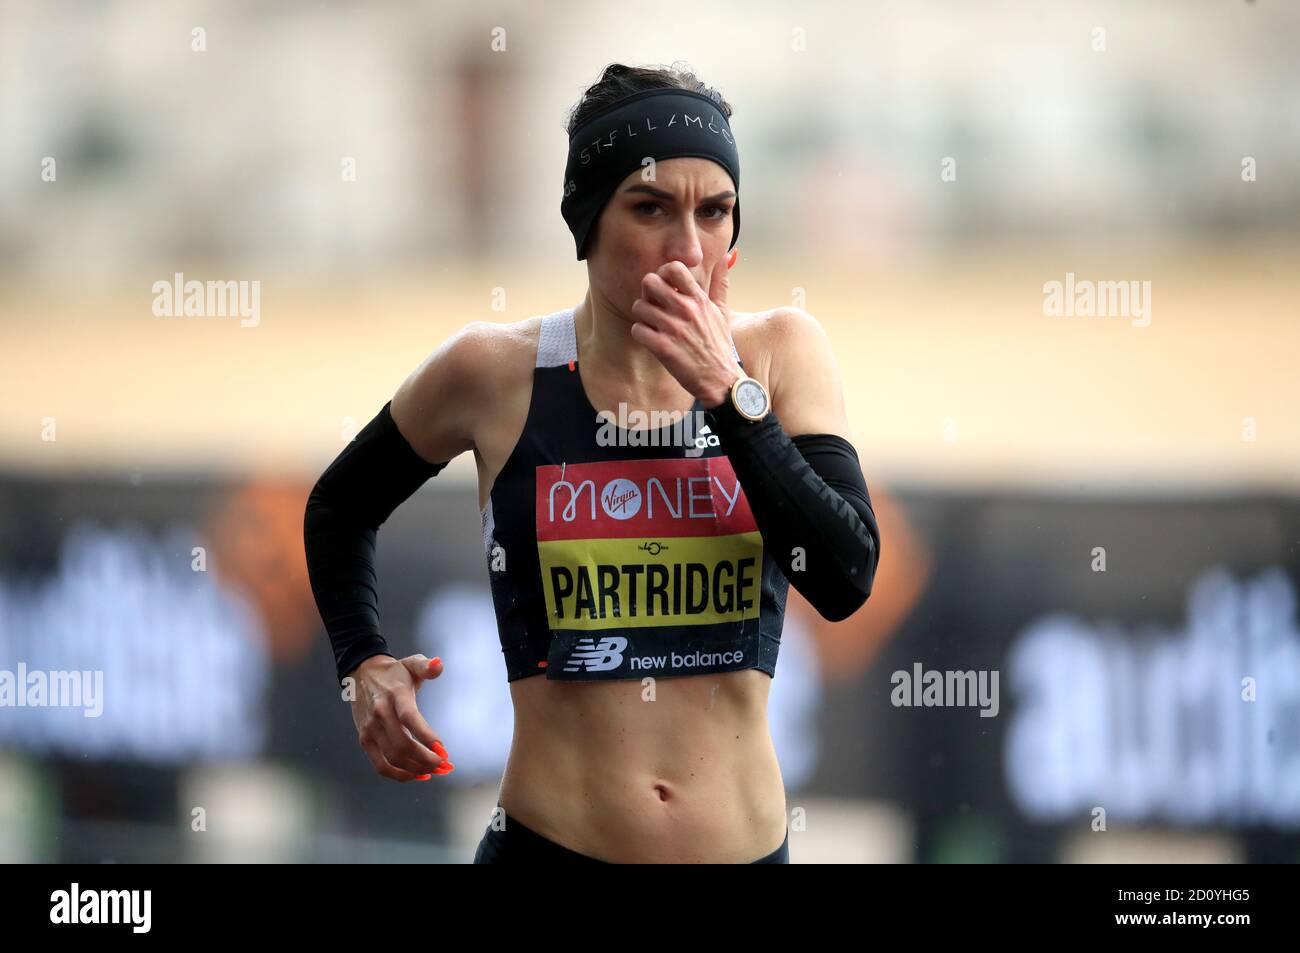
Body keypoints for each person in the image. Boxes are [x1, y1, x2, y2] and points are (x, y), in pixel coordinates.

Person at [304, 63, 881, 864]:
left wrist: (728, 392)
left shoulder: (780, 356)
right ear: (587, 223)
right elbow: (339, 505)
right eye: (650, 208)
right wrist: (362, 662)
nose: (687, 249)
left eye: (715, 213)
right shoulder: (493, 372)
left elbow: (846, 575)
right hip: (552, 845)